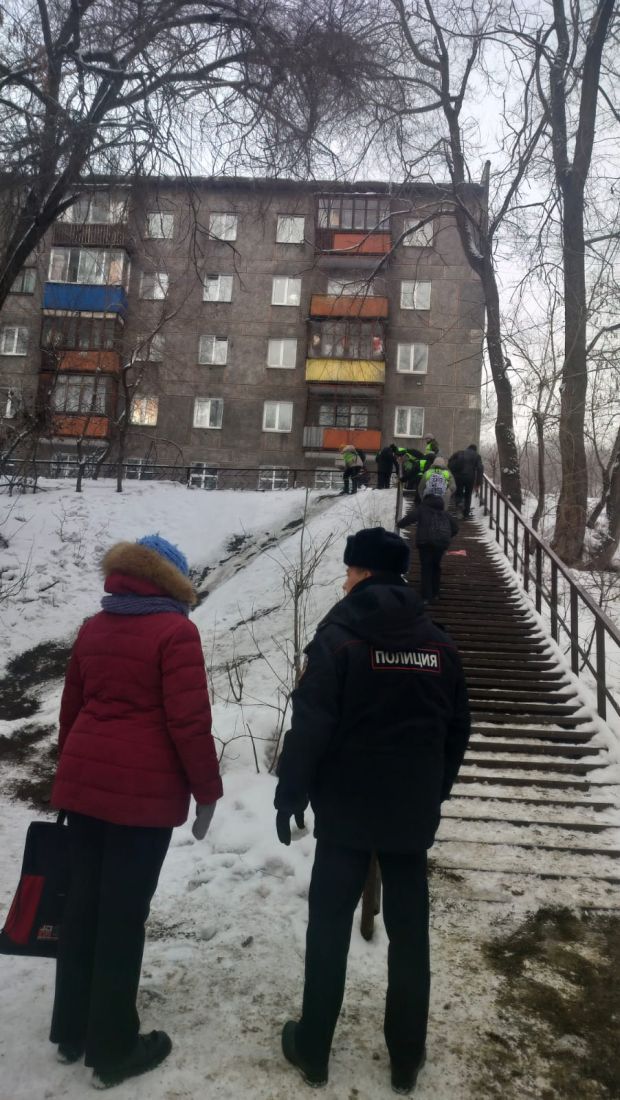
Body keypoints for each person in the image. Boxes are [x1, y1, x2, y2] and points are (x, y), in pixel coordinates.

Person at [274, 527, 470, 1094]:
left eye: (348, 569)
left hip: (345, 816)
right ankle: (406, 1059)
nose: (344, 577)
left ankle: (313, 1049)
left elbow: (310, 728)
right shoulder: (439, 642)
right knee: (412, 940)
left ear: (359, 572)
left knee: (328, 930)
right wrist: (435, 790)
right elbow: (458, 728)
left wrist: (291, 796)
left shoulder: (337, 637)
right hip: (411, 817)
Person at [49, 535, 222, 1089]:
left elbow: (70, 711)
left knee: (83, 908)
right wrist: (207, 791)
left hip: (85, 784)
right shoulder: (176, 632)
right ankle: (114, 1047)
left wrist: (71, 775)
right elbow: (188, 722)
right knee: (123, 918)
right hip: (141, 799)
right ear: (173, 581)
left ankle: (72, 1030)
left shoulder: (93, 627)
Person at [397, 494, 459, 604]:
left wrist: (400, 524)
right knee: (436, 567)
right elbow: (455, 528)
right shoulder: (444, 513)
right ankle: (435, 593)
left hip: (425, 543)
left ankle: (426, 596)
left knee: (426, 567)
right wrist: (446, 536)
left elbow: (409, 518)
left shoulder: (422, 509)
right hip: (440, 544)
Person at [448, 444, 484, 518]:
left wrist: (453, 474)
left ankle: (459, 507)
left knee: (458, 492)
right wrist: (478, 483)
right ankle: (466, 513)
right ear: (475, 449)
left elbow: (450, 462)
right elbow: (480, 468)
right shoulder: (476, 455)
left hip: (458, 477)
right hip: (470, 478)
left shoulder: (459, 453)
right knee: (468, 495)